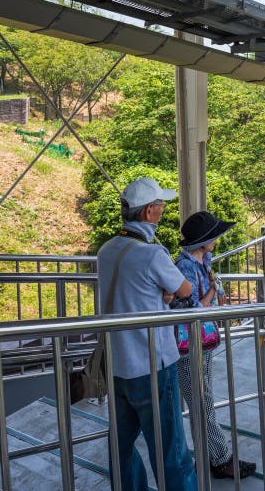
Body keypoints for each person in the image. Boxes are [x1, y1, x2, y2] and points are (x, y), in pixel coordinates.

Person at [96, 177, 197, 491]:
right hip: (153, 366)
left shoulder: (106, 250)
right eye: (161, 204)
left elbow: (132, 290)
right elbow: (185, 289)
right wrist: (167, 293)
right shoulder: (152, 254)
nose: (163, 209)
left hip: (117, 365)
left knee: (121, 449)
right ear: (149, 211)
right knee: (172, 453)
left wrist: (160, 292)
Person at [174, 210, 257, 480]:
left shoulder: (201, 261)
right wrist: (212, 290)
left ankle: (207, 457)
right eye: (213, 236)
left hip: (200, 341)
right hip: (190, 343)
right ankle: (221, 459)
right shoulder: (185, 267)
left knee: (203, 399)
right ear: (202, 240)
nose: (217, 240)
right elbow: (191, 308)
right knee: (202, 402)